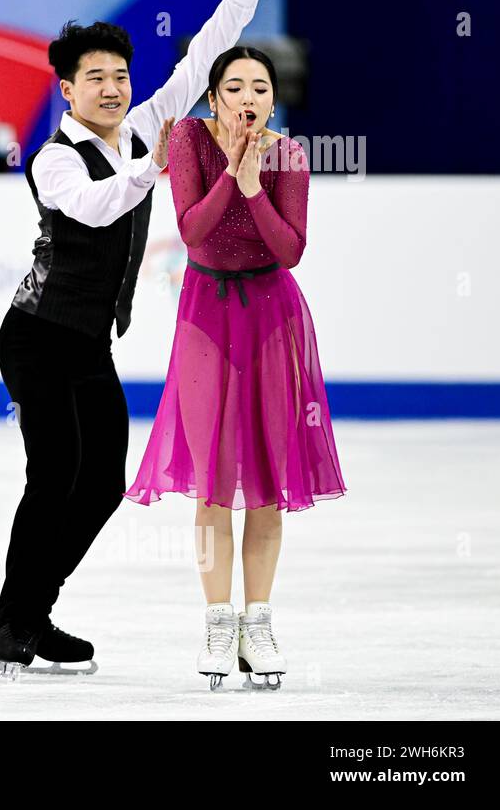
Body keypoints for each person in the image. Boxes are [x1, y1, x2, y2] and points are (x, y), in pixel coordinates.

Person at [0, 0, 274, 678]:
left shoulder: (146, 124)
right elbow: (93, 206)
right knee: (53, 476)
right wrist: (153, 165)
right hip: (35, 337)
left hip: (88, 343)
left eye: (120, 76)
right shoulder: (53, 159)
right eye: (96, 79)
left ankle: (36, 606)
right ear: (67, 91)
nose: (113, 89)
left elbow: (200, 62)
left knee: (104, 483)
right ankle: (15, 620)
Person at [123, 46, 348, 690]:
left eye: (259, 87)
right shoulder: (191, 139)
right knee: (213, 479)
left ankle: (260, 617)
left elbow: (291, 250)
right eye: (234, 86)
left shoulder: (288, 156)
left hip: (272, 317)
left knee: (271, 476)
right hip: (205, 316)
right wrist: (232, 177)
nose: (248, 97)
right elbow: (193, 231)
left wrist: (255, 184)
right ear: (214, 97)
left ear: (272, 99)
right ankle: (219, 621)